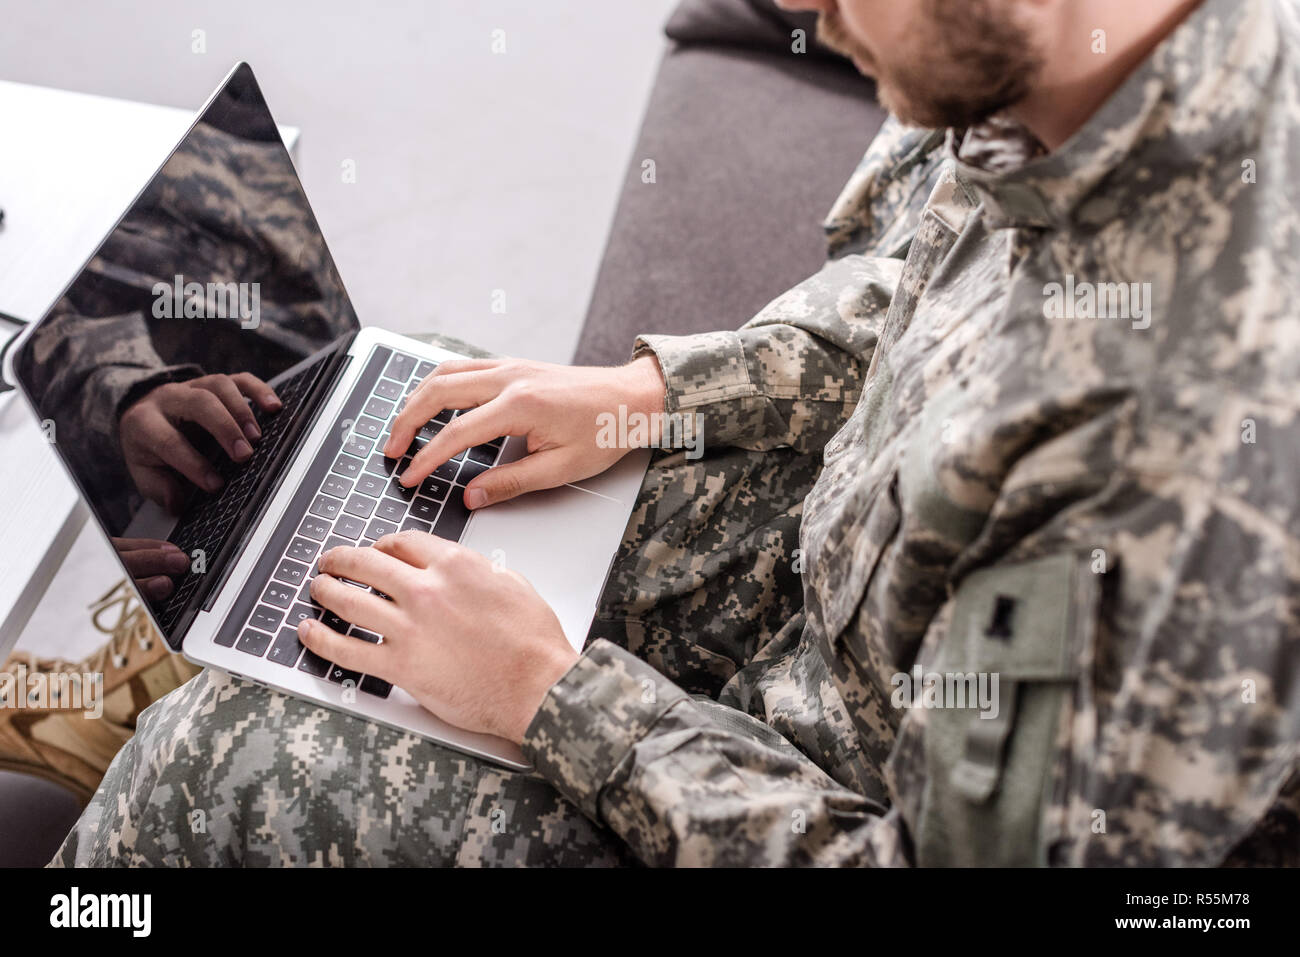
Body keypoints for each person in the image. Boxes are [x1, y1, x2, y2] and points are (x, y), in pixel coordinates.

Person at [46, 0, 1300, 866]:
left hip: (841, 788)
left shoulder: (1179, 480)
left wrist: (549, 697)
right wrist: (651, 395)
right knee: (422, 416)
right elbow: (924, 288)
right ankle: (223, 642)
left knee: (214, 763)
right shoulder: (1068, 65)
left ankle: (175, 733)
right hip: (845, 586)